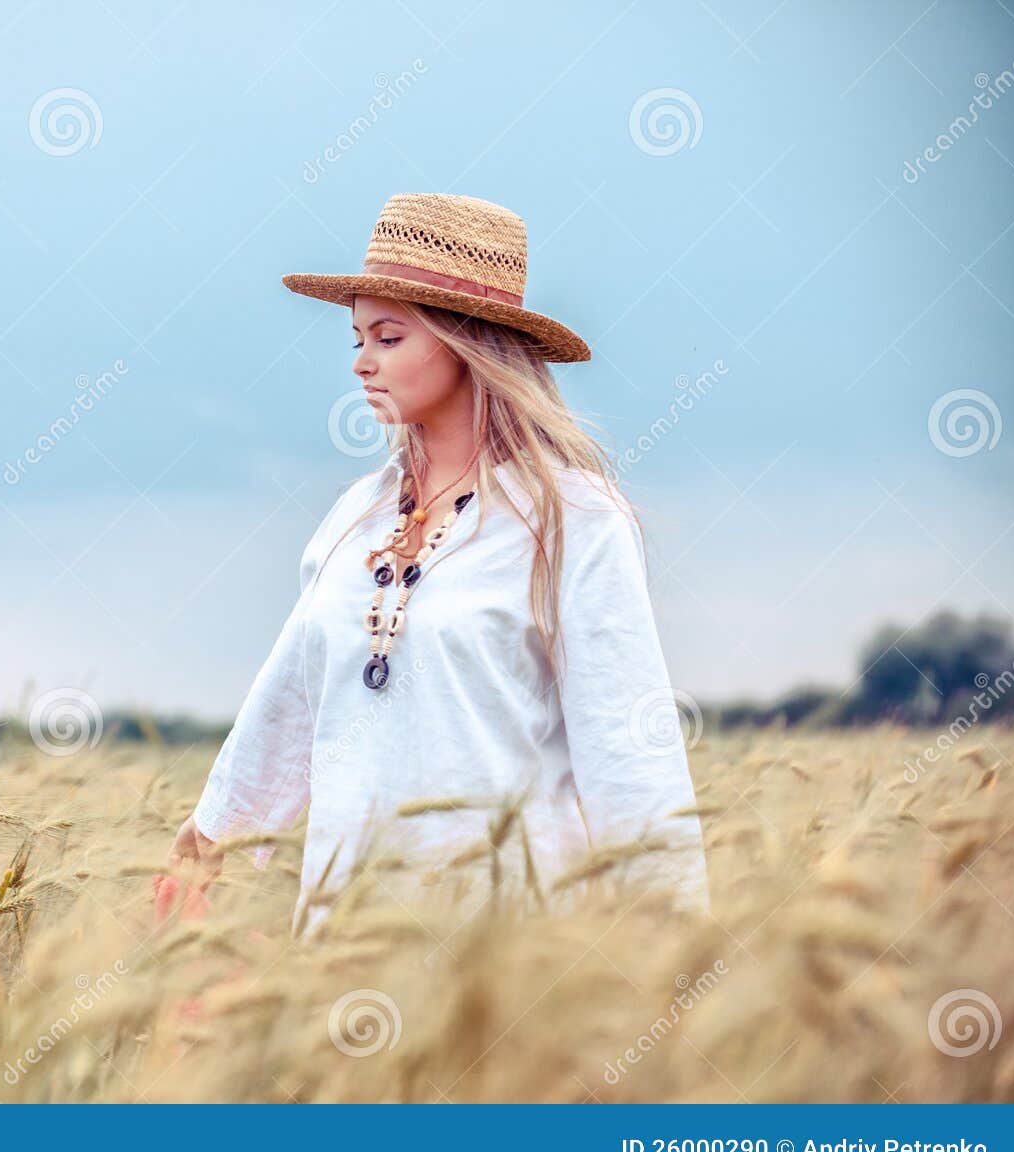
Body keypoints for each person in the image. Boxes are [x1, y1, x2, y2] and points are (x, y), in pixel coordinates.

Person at [166, 192, 710, 940]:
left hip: (509, 959)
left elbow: (628, 750)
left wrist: (672, 946)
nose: (360, 361)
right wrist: (209, 840)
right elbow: (290, 697)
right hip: (344, 945)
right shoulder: (353, 516)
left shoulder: (574, 521)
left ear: (467, 343)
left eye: (388, 337)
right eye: (356, 337)